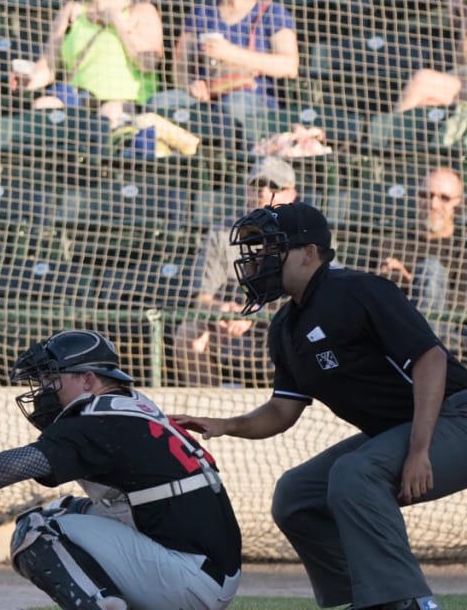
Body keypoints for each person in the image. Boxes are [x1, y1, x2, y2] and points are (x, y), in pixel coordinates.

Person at [172, 201, 467, 610]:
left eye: (270, 248)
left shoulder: (358, 290)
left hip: (456, 415)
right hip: (405, 430)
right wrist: (225, 424)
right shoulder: (285, 327)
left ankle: (409, 601)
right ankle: (371, 598)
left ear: (309, 253)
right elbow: (281, 412)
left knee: (355, 473)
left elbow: (430, 360)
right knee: (296, 495)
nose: (258, 259)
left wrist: (419, 450)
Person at [0, 330, 241, 609]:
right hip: (206, 570)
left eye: (54, 378)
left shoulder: (95, 421)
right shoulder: (133, 406)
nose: (45, 390)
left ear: (88, 380)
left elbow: (16, 466)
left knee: (37, 529)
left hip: (188, 580)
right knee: (65, 510)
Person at [173, 157, 300, 386]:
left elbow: (312, 294)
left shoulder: (302, 233)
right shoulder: (222, 232)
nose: (263, 192)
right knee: (189, 331)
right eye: (257, 185)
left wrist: (254, 312)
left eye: (274, 187)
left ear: (292, 194)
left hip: (281, 326)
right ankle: (208, 408)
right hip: (230, 331)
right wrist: (220, 311)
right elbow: (201, 298)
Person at [12, 0, 164, 128]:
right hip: (78, 98)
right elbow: (48, 65)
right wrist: (29, 78)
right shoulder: (72, 12)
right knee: (45, 105)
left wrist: (117, 21)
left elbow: (148, 63)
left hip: (126, 101)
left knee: (109, 114)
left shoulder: (142, 11)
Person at [163, 0, 298, 140]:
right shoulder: (201, 14)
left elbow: (289, 65)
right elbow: (179, 68)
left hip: (251, 98)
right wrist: (190, 84)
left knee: (233, 105)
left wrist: (232, 54)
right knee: (160, 104)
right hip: (205, 96)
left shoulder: (272, 13)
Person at [368, 168, 467, 325]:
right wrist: (383, 281)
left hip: (444, 337)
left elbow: (461, 304)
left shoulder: (463, 248)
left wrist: (410, 282)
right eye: (425, 195)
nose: (433, 205)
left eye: (444, 198)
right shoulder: (386, 245)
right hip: (390, 331)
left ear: (460, 204)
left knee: (430, 270)